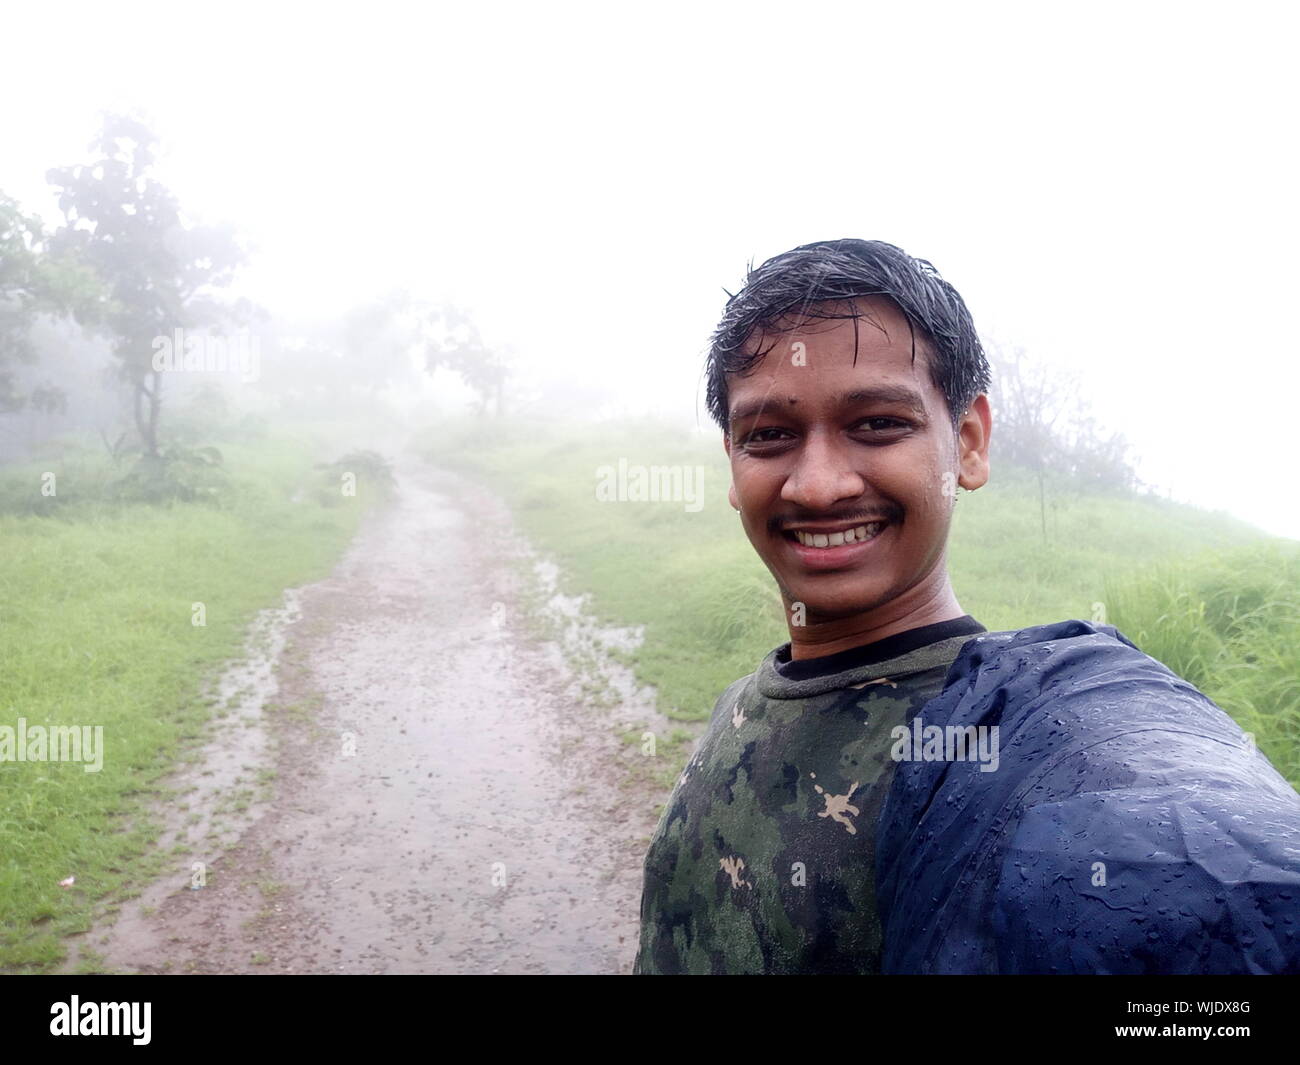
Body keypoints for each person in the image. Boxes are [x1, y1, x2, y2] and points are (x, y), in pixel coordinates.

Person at [632, 239, 1300, 975]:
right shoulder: (741, 702)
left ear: (969, 443)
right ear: (732, 460)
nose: (818, 485)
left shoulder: (1023, 736)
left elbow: (1189, 855)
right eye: (770, 436)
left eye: (878, 423)